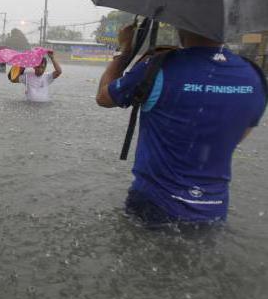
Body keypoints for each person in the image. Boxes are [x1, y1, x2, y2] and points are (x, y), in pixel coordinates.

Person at [96, 25, 266, 225]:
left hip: (154, 204)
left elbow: (104, 97)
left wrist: (124, 51)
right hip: (214, 209)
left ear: (181, 25)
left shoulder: (158, 67)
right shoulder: (253, 75)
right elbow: (238, 135)